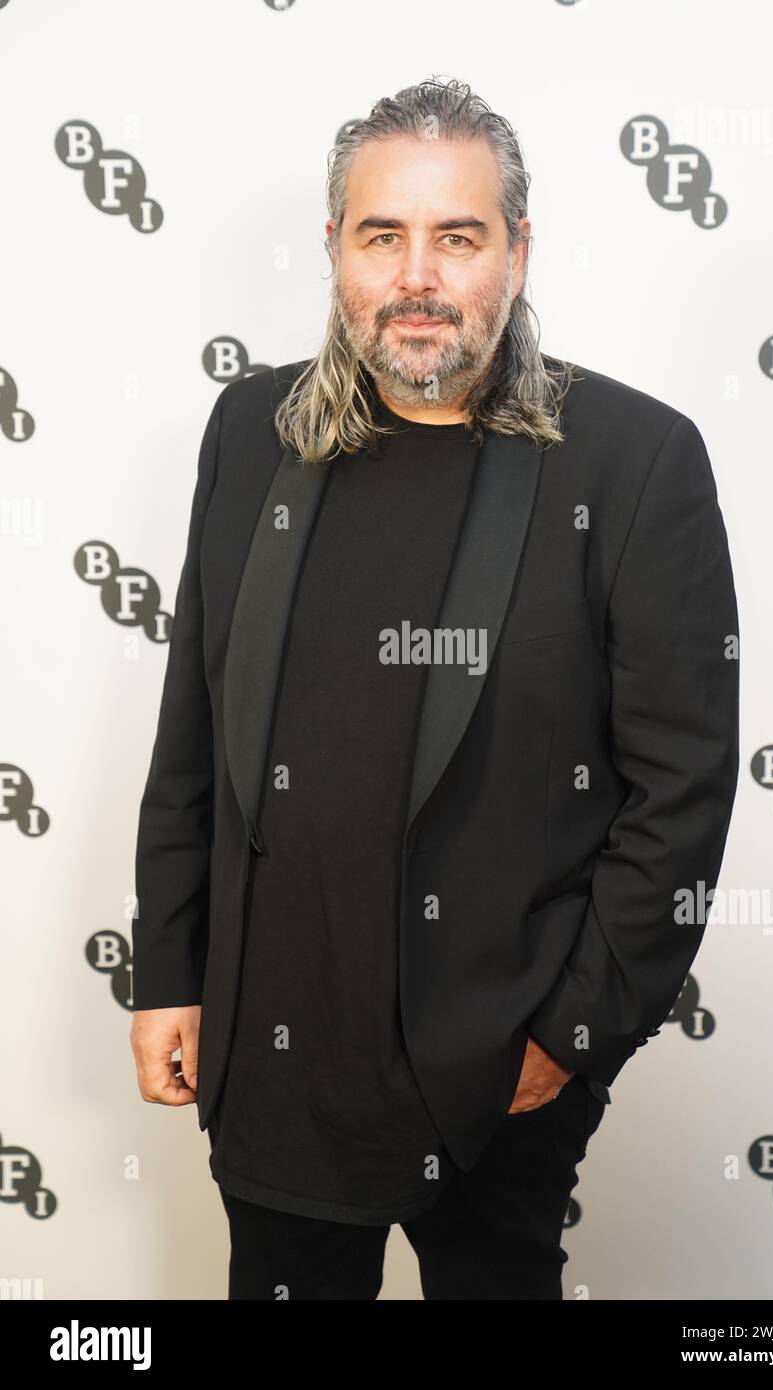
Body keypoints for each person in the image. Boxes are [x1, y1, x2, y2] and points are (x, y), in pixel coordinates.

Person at [130, 76, 740, 1300]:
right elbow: (193, 722)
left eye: (457, 237)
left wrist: (564, 1038)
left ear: (516, 250)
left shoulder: (631, 460)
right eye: (382, 235)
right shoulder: (249, 429)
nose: (416, 276)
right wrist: (171, 971)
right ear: (334, 250)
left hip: (498, 1069)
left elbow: (679, 792)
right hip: (275, 1052)